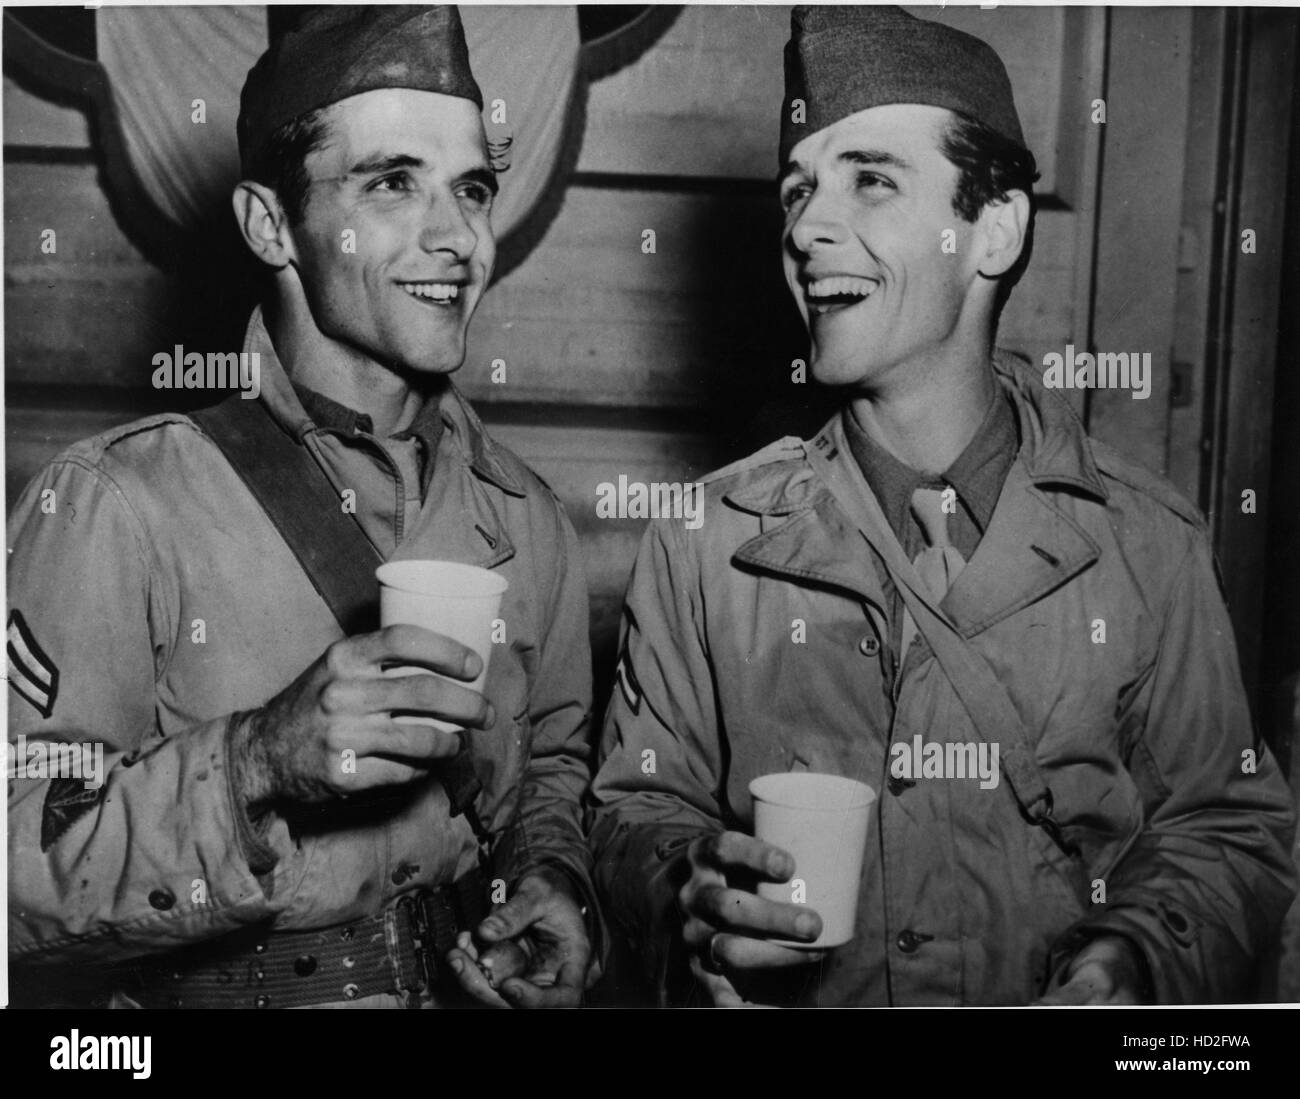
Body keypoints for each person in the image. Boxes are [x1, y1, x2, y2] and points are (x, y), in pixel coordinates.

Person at [588, 6, 1296, 1007]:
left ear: (992, 230)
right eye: (796, 191)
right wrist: (685, 894)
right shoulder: (706, 543)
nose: (803, 227)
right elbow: (635, 804)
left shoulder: (1146, 543)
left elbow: (1226, 827)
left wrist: (1134, 956)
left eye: (869, 179)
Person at [8, 5, 596, 1009]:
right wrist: (257, 761)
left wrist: (551, 880)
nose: (456, 237)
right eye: (394, 182)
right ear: (269, 224)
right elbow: (17, 867)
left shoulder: (525, 517)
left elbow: (548, 767)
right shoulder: (117, 502)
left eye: (472, 189)